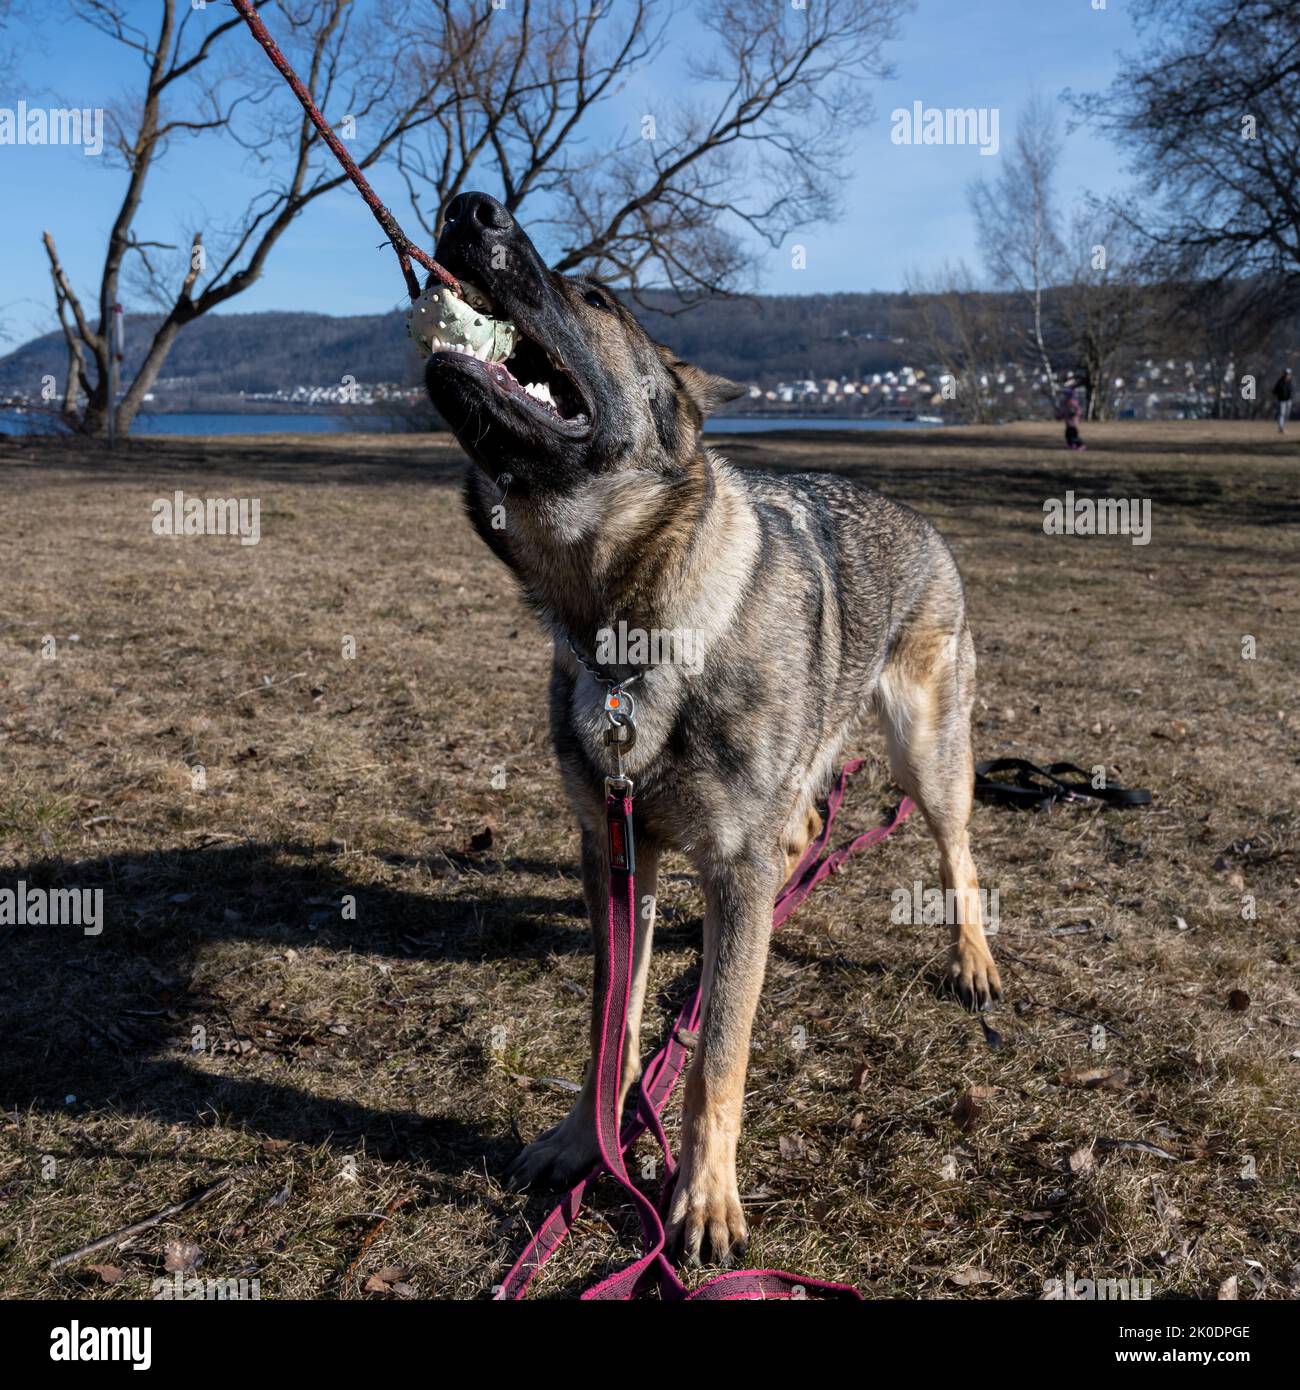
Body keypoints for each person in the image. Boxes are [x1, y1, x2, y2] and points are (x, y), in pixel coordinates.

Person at [1058, 377, 1085, 450]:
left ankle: (1080, 445)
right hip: (1068, 422)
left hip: (1073, 423)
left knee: (1074, 435)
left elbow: (1078, 411)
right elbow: (1064, 412)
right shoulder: (1066, 404)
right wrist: (1060, 416)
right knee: (1067, 435)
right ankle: (1071, 445)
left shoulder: (1073, 403)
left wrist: (1075, 414)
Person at [1272, 368, 1293, 433]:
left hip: (1288, 401)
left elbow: (1291, 391)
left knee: (1287, 415)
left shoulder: (1290, 382)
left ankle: (1283, 427)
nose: (1287, 375)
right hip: (1281, 401)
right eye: (1286, 374)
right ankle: (1281, 428)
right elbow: (1274, 391)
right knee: (1281, 414)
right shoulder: (1279, 382)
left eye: (1289, 374)